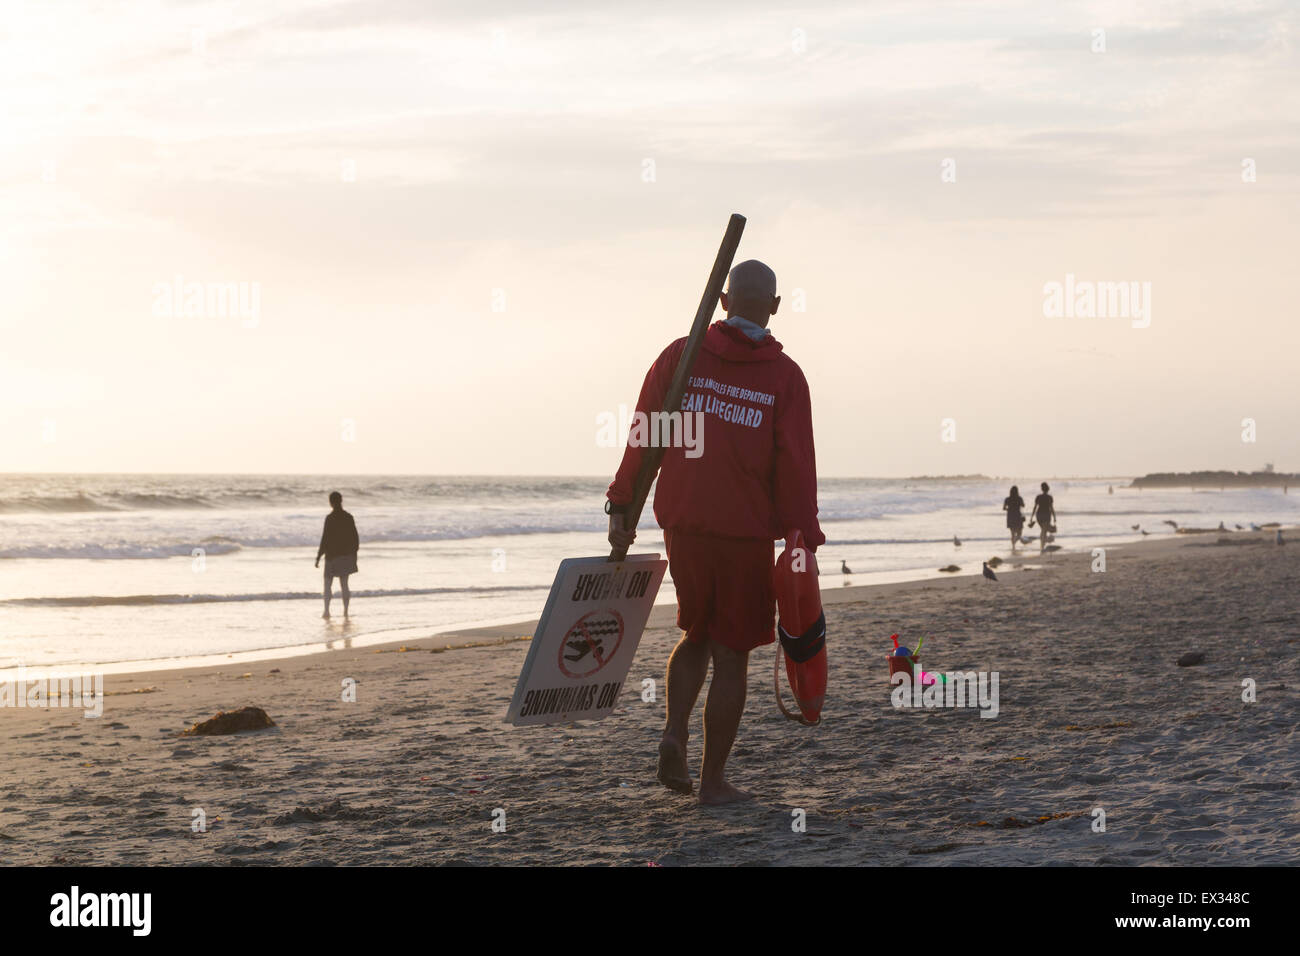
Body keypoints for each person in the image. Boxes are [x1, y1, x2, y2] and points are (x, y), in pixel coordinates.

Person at [606, 259, 824, 806]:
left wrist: (620, 501)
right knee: (732, 654)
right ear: (774, 307)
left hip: (684, 523)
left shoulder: (681, 356)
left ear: (726, 301)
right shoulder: (785, 377)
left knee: (695, 634)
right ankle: (711, 784)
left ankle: (673, 733)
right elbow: (795, 463)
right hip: (744, 533)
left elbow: (643, 432)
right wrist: (803, 535)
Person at [315, 491, 359, 619]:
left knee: (327, 584)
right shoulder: (348, 517)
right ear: (341, 501)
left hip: (332, 556)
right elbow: (355, 538)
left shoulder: (330, 518)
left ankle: (326, 611)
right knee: (344, 584)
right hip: (346, 555)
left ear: (331, 502)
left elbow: (325, 539)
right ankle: (345, 611)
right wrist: (354, 555)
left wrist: (318, 557)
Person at [1028, 481, 1056, 552]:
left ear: (1042, 489)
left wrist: (1031, 517)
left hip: (1039, 515)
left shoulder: (1038, 497)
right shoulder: (1049, 497)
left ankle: (1042, 545)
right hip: (1046, 515)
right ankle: (1042, 547)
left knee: (1043, 530)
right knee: (1044, 530)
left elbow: (1035, 507)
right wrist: (1054, 517)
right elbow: (1051, 508)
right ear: (1047, 489)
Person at [1003, 485, 1026, 550]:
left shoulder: (1007, 499)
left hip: (1010, 516)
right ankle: (1014, 543)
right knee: (1019, 533)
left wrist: (1009, 509)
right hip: (1018, 516)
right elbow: (1023, 505)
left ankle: (1013, 546)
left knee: (1012, 533)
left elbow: (1004, 508)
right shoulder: (1019, 498)